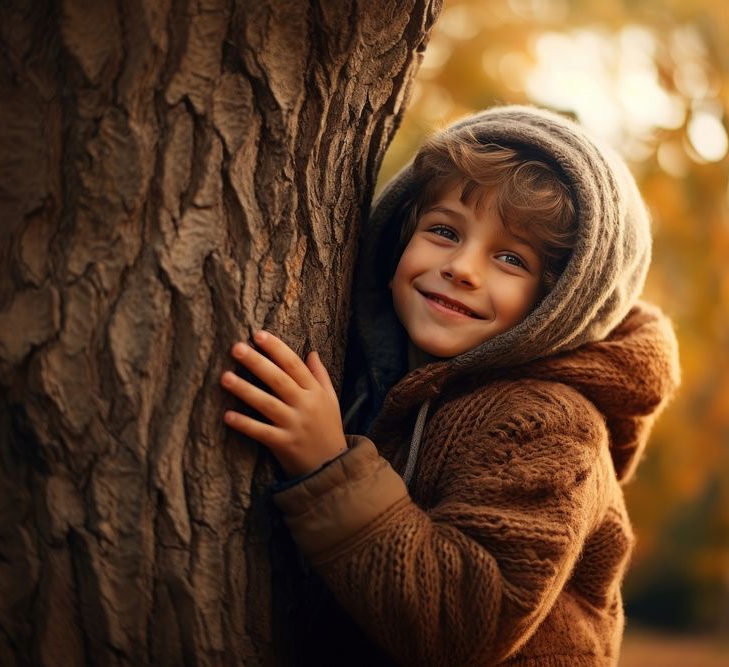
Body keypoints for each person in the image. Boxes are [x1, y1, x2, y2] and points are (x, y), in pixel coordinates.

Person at [220, 106, 680, 666]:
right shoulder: (388, 376)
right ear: (397, 239)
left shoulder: (550, 423)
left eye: (511, 258)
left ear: (557, 305)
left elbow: (469, 621)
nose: (463, 267)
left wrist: (330, 467)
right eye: (443, 231)